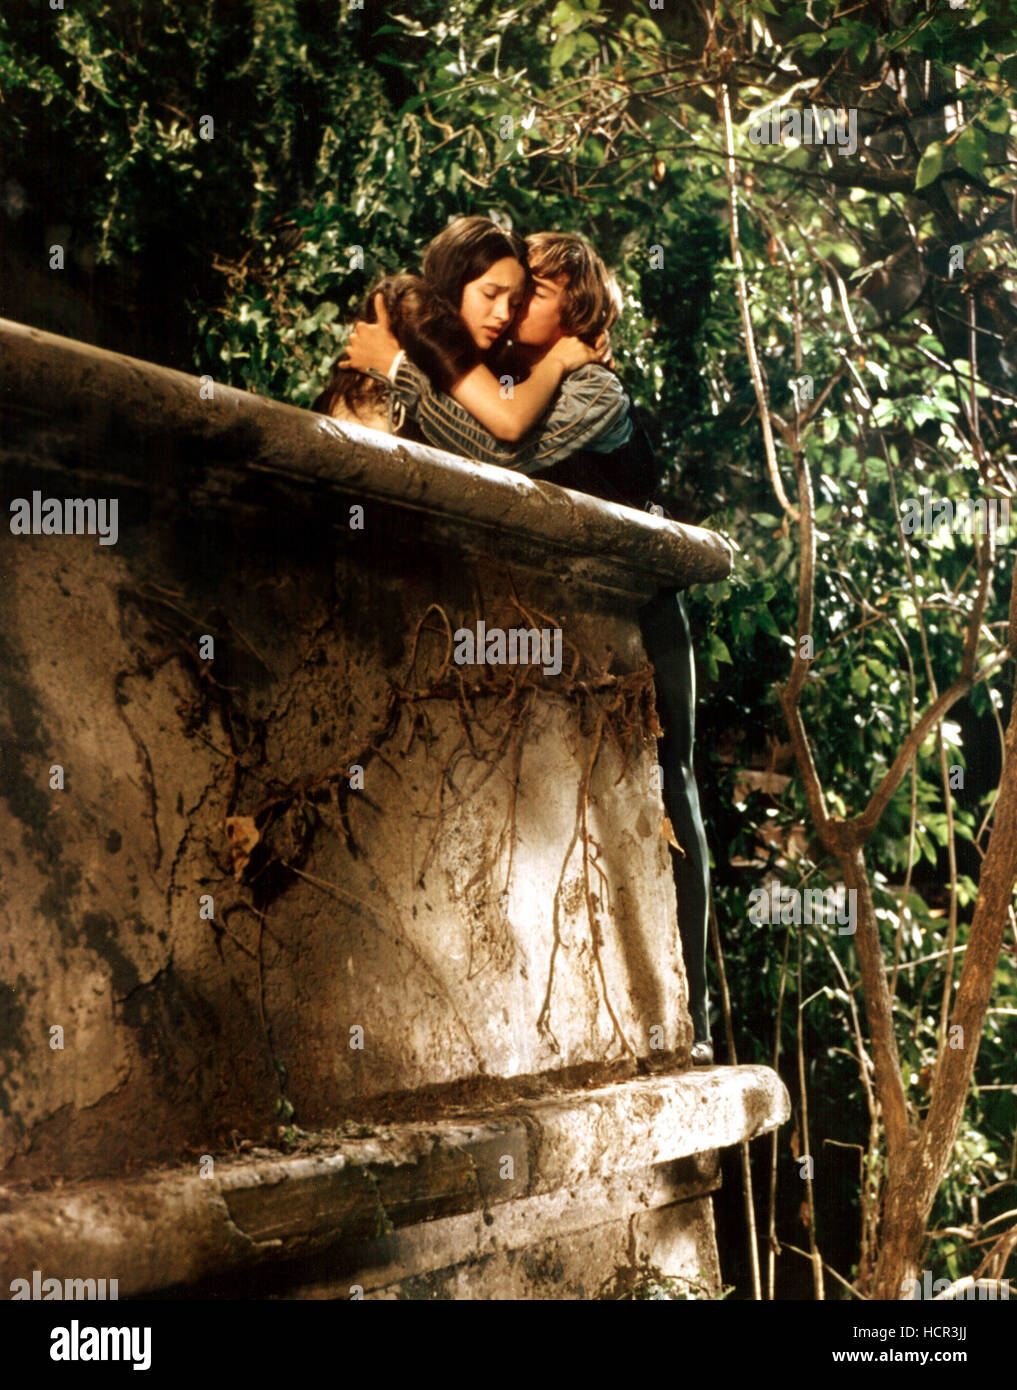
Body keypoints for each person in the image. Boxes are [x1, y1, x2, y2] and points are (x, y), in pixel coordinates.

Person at [335, 226, 714, 1065]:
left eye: (534, 292)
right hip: (559, 620)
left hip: (647, 612)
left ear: (576, 317)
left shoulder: (589, 387)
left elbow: (496, 453)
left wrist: (402, 369)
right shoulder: (505, 373)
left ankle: (696, 1015)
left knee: (672, 791)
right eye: (503, 290)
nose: (511, 306)